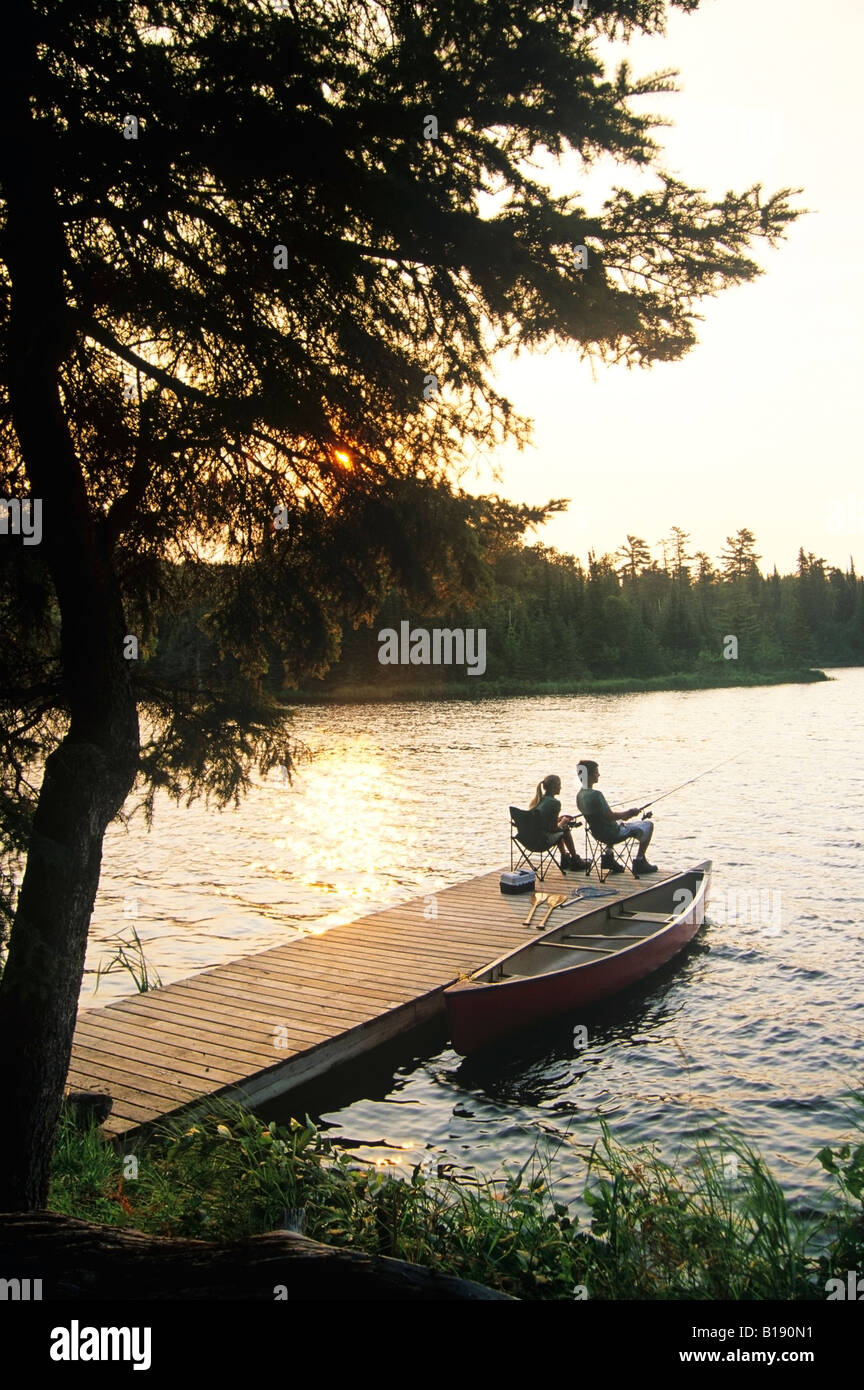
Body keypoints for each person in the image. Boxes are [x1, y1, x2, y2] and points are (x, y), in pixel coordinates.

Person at [575, 759, 657, 876]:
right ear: (589, 775)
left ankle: (608, 857)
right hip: (611, 834)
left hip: (597, 833)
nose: (599, 774)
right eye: (596, 772)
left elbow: (602, 817)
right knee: (648, 825)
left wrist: (623, 816)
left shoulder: (579, 795)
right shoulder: (596, 794)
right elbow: (610, 816)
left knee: (618, 821)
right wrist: (629, 812)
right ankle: (640, 861)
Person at [529, 774, 579, 870]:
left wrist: (558, 819)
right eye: (559, 785)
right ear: (553, 787)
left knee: (561, 830)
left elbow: (543, 822)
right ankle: (575, 859)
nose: (561, 787)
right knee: (565, 830)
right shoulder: (555, 803)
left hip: (530, 839)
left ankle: (565, 857)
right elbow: (554, 829)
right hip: (542, 841)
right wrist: (564, 821)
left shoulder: (539, 800)